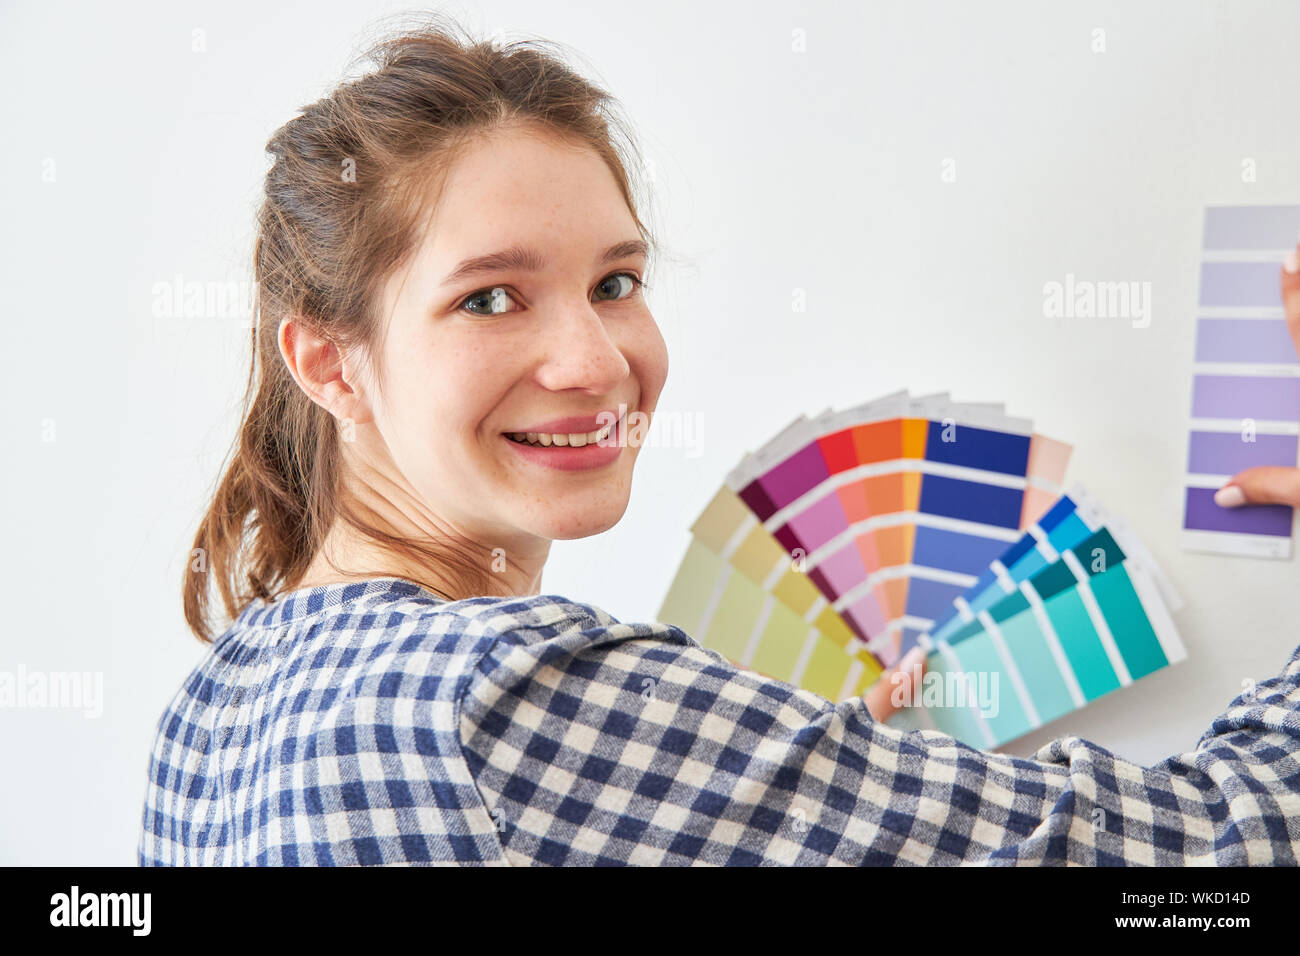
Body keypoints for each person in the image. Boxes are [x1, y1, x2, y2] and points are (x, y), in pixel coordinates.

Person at [138, 17, 1300, 866]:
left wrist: (780, 768)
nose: (594, 360)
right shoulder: (513, 692)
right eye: (490, 297)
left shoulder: (207, 719)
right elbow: (1221, 852)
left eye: (616, 279)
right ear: (330, 360)